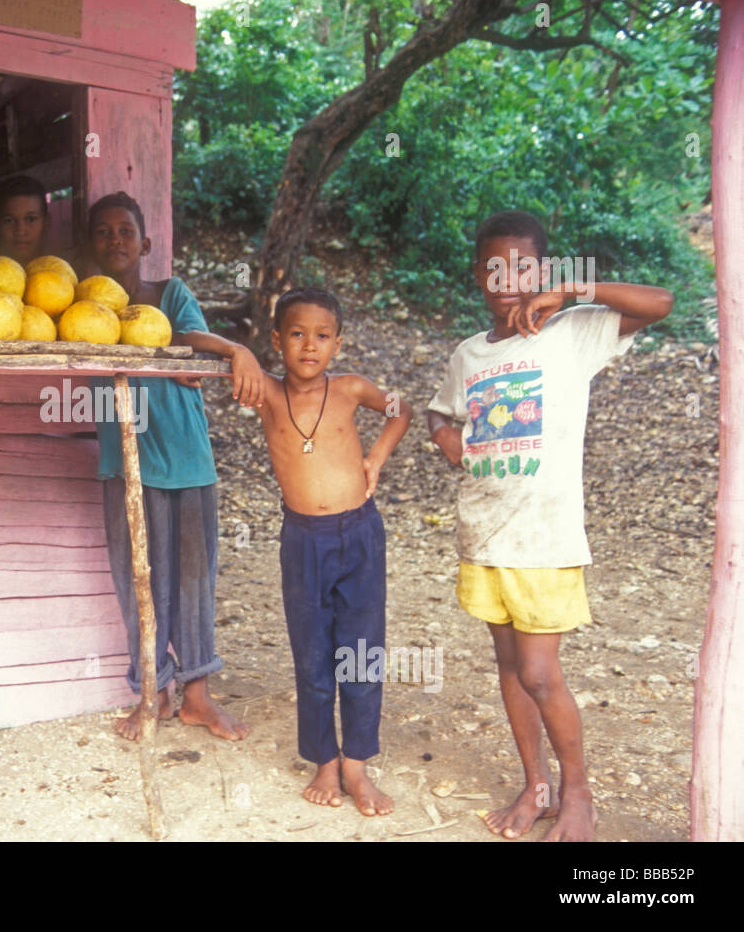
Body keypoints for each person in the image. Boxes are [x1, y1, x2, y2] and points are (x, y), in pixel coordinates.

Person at [427, 210, 673, 841]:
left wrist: (570, 290)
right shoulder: (469, 354)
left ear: (544, 269)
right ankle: (534, 785)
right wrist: (447, 438)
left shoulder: (571, 333)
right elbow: (437, 415)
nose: (508, 279)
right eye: (494, 267)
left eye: (524, 267)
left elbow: (660, 302)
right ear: (476, 275)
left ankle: (578, 793)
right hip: (483, 535)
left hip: (545, 538)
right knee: (509, 668)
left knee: (540, 673)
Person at [87, 191, 263, 742]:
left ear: (146, 242)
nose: (115, 240)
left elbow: (188, 339)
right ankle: (151, 694)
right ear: (91, 244)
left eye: (125, 231)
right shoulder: (86, 310)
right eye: (103, 232)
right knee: (137, 580)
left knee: (193, 581)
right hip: (127, 467)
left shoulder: (170, 294)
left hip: (186, 462)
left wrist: (235, 350)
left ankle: (197, 697)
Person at [252, 287, 412, 815]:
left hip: (359, 535)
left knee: (362, 652)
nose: (308, 346)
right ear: (277, 340)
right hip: (303, 541)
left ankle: (358, 765)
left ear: (337, 344)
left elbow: (401, 409)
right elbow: (196, 348)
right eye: (296, 334)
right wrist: (237, 353)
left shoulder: (349, 389)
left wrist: (377, 456)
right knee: (314, 655)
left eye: (322, 336)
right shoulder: (266, 393)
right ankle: (324, 759)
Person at [0, 175, 50, 265]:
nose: (20, 231)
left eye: (31, 219)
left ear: (47, 222)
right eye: (9, 220)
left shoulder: (65, 276)